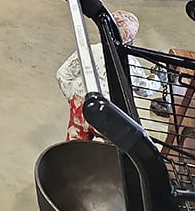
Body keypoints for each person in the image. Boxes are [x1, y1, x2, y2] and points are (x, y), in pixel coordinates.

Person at [56, 10, 160, 141]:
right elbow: (145, 90)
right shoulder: (129, 63)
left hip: (82, 108)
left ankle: (71, 158)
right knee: (114, 150)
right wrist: (157, 79)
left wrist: (73, 98)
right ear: (130, 38)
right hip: (110, 116)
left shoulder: (87, 51)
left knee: (74, 144)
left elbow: (62, 74)